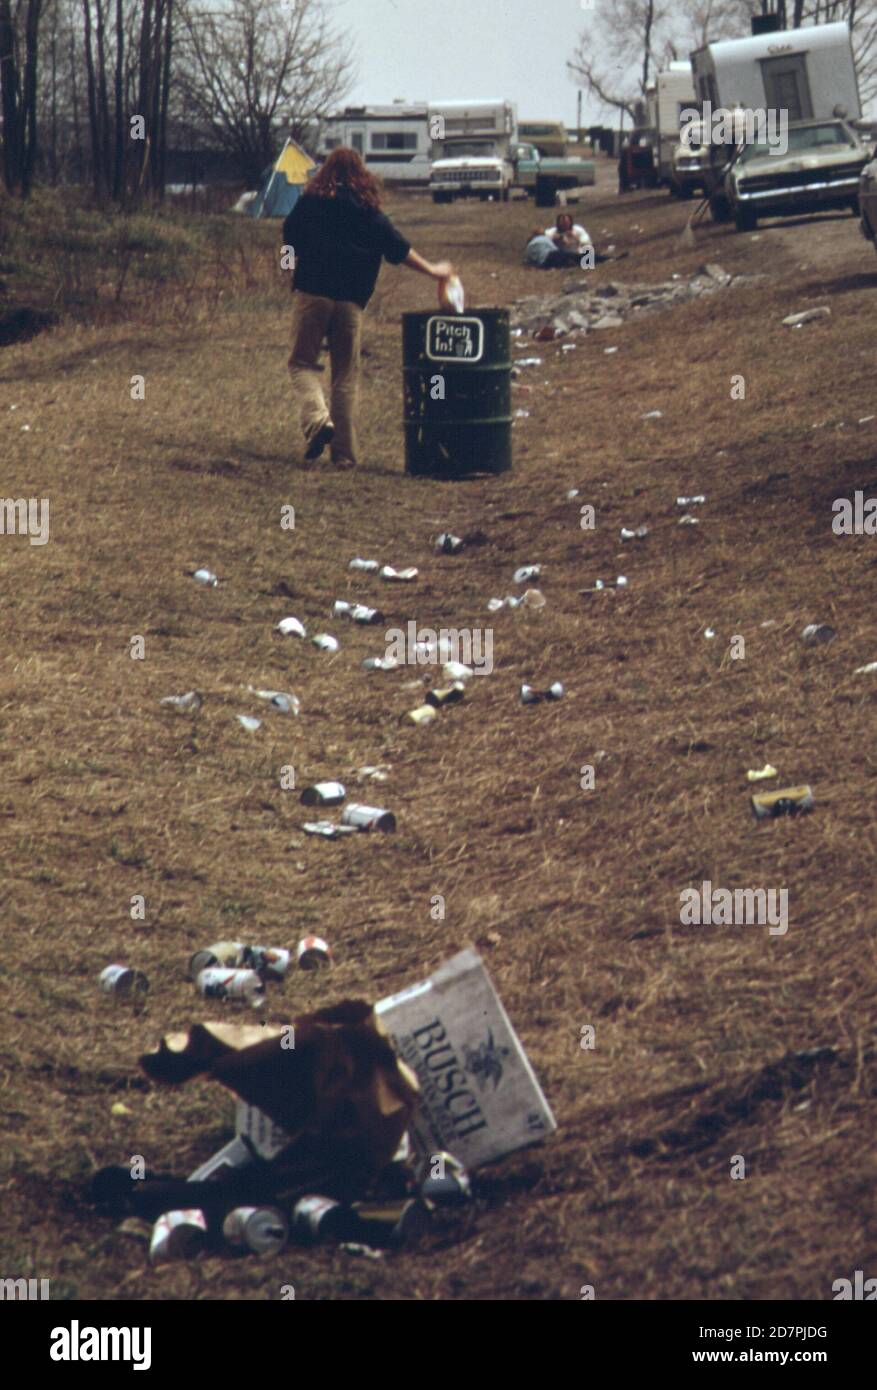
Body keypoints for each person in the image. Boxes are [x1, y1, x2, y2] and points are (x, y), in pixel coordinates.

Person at [282, 147, 454, 466]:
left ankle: (318, 421)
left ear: (325, 170)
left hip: (313, 296)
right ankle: (345, 455)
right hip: (351, 303)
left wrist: (290, 265)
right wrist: (433, 271)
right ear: (361, 173)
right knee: (345, 376)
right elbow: (399, 249)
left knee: (302, 363)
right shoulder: (368, 211)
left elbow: (289, 235)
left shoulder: (310, 203)